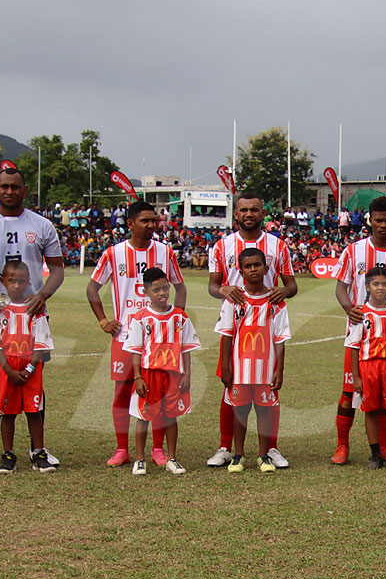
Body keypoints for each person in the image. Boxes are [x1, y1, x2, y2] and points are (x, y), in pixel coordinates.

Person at [0, 168, 65, 469]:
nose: (9, 191)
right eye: (4, 186)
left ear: (24, 189)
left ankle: (38, 450)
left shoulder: (42, 225)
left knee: (34, 381)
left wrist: (43, 295)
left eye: (15, 186)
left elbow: (57, 269)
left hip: (33, 317)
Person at [86, 201, 187, 468]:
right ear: (130, 223)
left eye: (154, 220)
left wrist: (174, 322)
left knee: (160, 394)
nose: (152, 225)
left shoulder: (166, 252)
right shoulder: (113, 253)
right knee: (122, 393)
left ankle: (157, 450)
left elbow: (181, 288)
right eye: (146, 221)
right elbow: (92, 289)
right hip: (125, 338)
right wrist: (104, 321)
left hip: (159, 341)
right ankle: (122, 449)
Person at [207, 192, 297, 469]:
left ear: (262, 213)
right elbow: (213, 286)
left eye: (254, 210)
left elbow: (291, 286)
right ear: (236, 214)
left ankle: (270, 448)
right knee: (231, 389)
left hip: (267, 328)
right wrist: (224, 289)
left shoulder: (278, 246)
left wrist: (283, 290)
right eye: (243, 210)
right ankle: (226, 447)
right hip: (236, 329)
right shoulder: (222, 246)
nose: (249, 214)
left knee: (268, 390)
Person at [331, 197, 386, 465]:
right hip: (361, 337)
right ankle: (342, 446)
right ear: (370, 220)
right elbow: (340, 287)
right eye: (378, 220)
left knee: (384, 397)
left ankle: (384, 448)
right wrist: (349, 309)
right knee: (350, 393)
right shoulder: (353, 251)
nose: (383, 225)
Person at [215, 248, 291, 474]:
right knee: (240, 411)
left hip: (265, 369)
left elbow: (280, 339)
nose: (253, 269)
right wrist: (227, 367)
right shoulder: (234, 300)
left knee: (264, 411)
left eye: (257, 265)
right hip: (240, 369)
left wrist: (279, 369)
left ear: (266, 268)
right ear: (240, 271)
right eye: (247, 266)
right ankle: (238, 455)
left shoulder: (276, 301)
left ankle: (263, 454)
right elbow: (227, 335)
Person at [123, 268, 201, 476]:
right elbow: (136, 350)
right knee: (143, 416)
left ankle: (171, 458)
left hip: (173, 375)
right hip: (149, 375)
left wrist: (188, 374)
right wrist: (138, 377)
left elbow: (186, 348)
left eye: (165, 288)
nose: (162, 293)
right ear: (146, 291)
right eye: (156, 290)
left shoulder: (180, 317)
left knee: (171, 416)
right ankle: (140, 459)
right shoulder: (141, 318)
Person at [0, 261, 55, 474]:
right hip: (6, 368)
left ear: (28, 282)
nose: (16, 285)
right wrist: (9, 371)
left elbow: (41, 342)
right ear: (3, 281)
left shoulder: (36, 309)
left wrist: (30, 369)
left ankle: (39, 454)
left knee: (34, 411)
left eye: (21, 281)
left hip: (30, 366)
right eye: (11, 280)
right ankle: (8, 455)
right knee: (8, 412)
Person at [345, 266, 386, 470]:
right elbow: (353, 347)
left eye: (384, 284)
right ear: (367, 287)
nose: (381, 288)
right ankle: (375, 454)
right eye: (376, 284)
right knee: (371, 410)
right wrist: (356, 377)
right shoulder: (360, 314)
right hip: (368, 367)